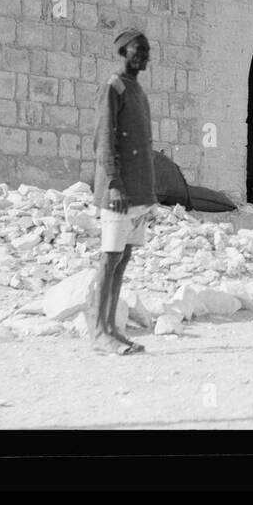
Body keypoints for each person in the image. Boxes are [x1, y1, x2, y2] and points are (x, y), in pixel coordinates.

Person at [89, 28, 161, 355]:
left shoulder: (138, 91)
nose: (143, 54)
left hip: (138, 194)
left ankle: (113, 329)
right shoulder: (113, 87)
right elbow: (104, 140)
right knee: (110, 258)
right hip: (118, 193)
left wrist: (149, 195)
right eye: (137, 49)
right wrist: (114, 183)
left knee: (124, 257)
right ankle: (99, 332)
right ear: (123, 52)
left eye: (146, 50)